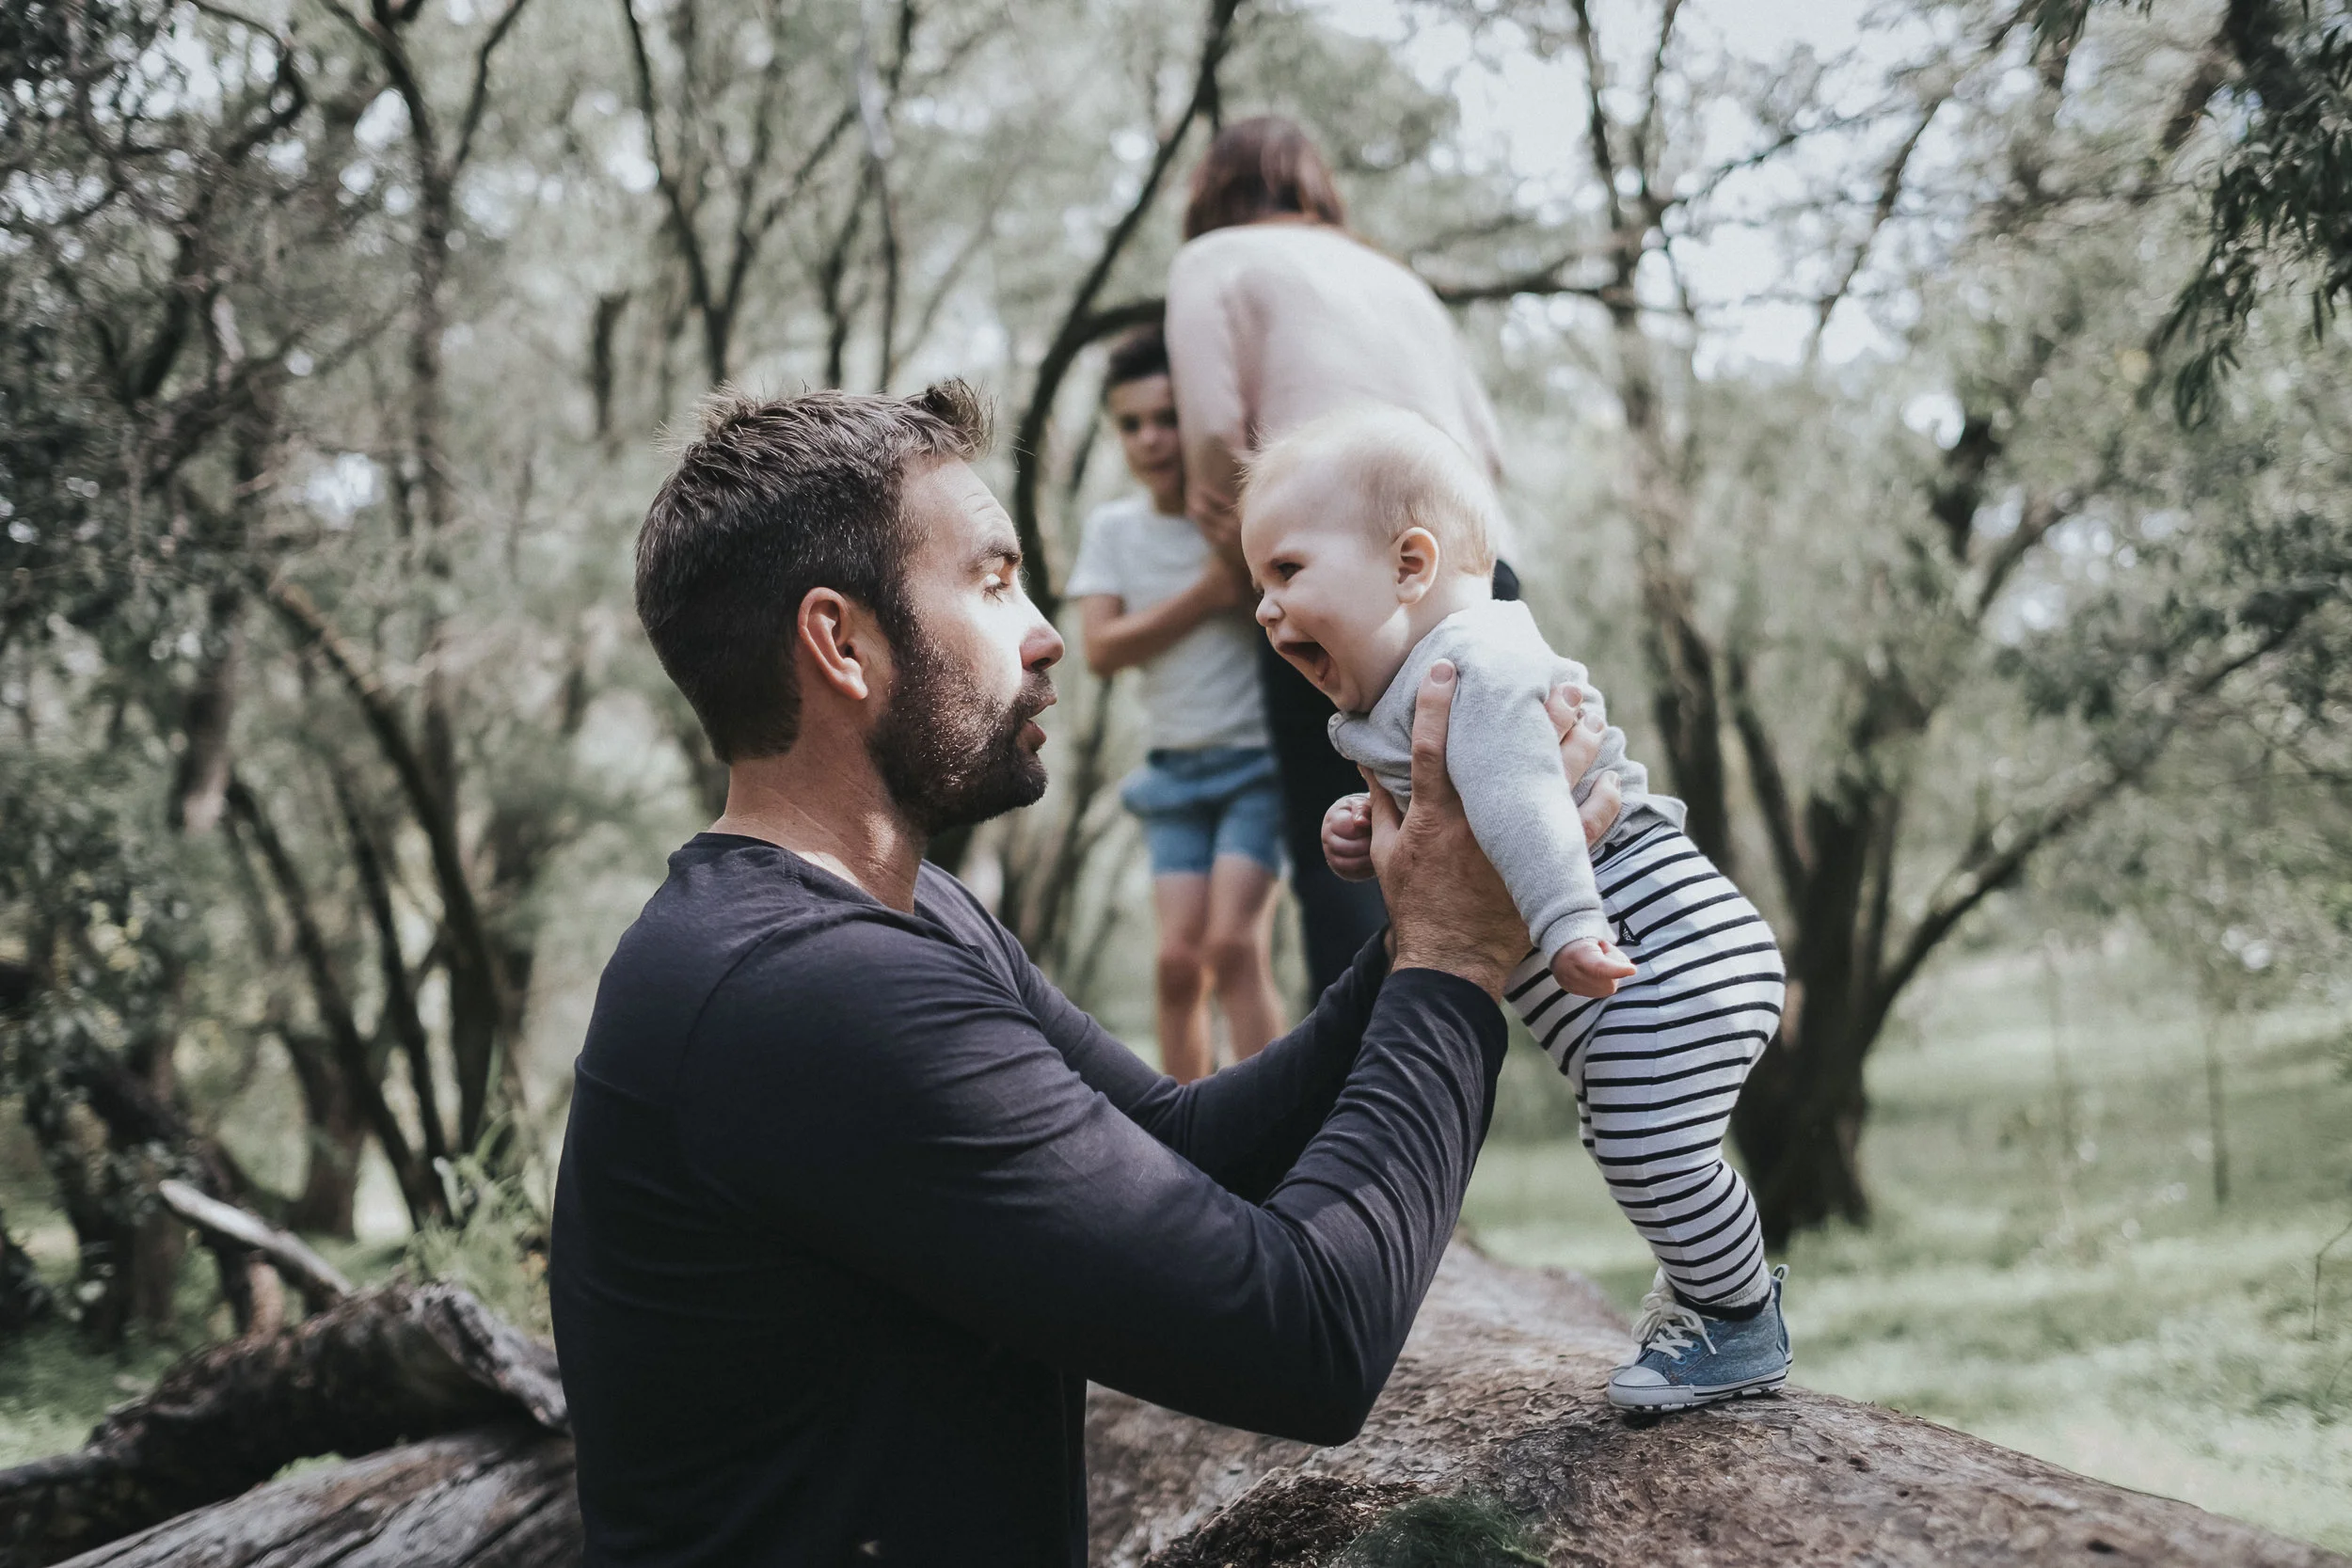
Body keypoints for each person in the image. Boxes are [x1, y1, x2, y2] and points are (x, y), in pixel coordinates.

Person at [549, 381, 1628, 1565]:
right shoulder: (803, 990)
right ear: (840, 643)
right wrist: (1456, 956)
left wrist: (1419, 914)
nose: (1048, 631)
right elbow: (1307, 1340)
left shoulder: (902, 917)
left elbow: (1179, 1140)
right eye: (993, 579)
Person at [1243, 405, 1793, 1412]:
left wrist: (1571, 920)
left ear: (1411, 563)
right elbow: (1454, 833)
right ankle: (1715, 1286)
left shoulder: (1471, 665)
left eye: (1286, 572)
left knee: (1644, 1140)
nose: (1266, 611)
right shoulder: (1413, 689)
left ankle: (1738, 1317)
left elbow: (1525, 803)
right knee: (1631, 1138)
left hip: (1663, 952)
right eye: (1257, 587)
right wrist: (1366, 836)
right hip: (1651, 961)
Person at [1165, 114, 1520, 1006]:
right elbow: (1490, 450)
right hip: (1474, 568)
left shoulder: (1211, 260)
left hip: (1330, 572)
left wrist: (1251, 558)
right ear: (1318, 186)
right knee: (1487, 814)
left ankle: (1363, 1104)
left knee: (1350, 834)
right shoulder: (1399, 281)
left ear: (1212, 190)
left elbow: (1212, 427)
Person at [1068, 325, 1285, 1083]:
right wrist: (1206, 595)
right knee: (1175, 962)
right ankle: (1191, 1133)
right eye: (1132, 424)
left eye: (1168, 418)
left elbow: (1283, 603)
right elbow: (1100, 649)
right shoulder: (1113, 532)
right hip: (1173, 774)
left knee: (1233, 946)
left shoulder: (1240, 520)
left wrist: (1236, 563)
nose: (1152, 438)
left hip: (1256, 767)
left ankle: (1275, 1128)